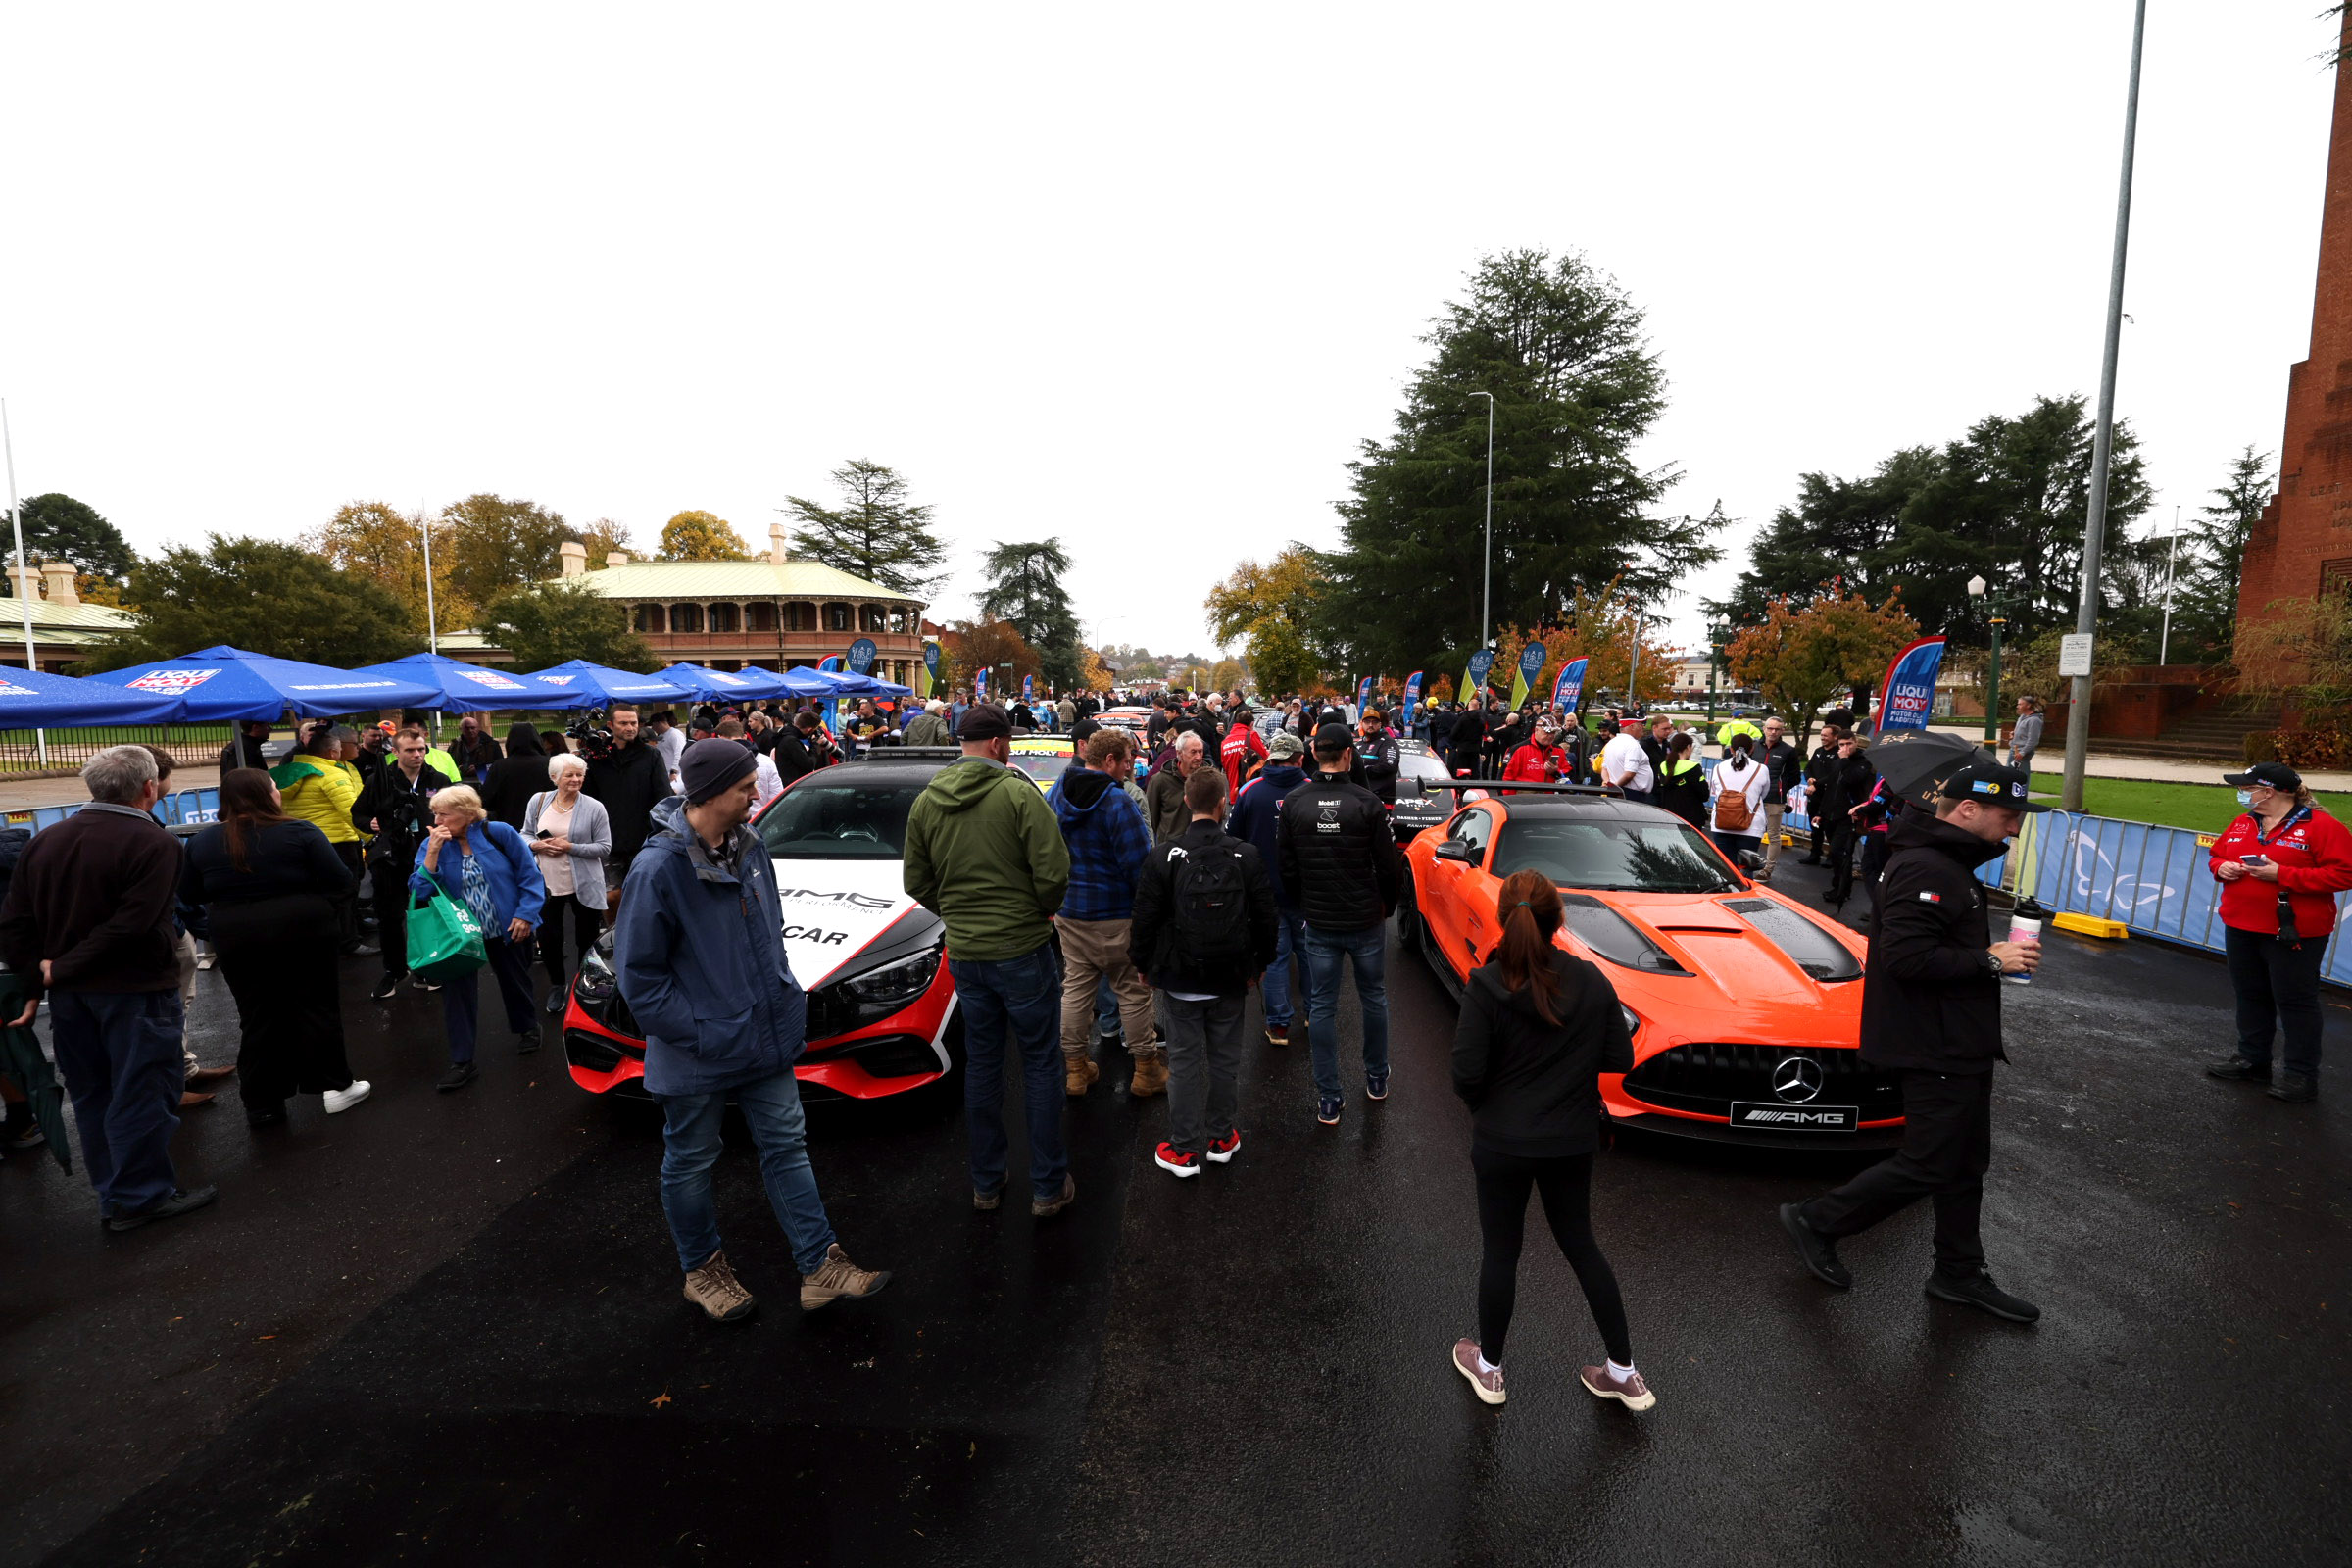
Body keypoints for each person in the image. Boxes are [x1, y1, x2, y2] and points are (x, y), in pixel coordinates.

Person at [612, 738, 890, 1321]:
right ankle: (702, 1271)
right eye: (744, 788)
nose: (755, 794)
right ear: (712, 793)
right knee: (691, 1159)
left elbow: (770, 931)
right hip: (699, 1050)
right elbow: (639, 977)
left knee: (787, 1146)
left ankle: (821, 1267)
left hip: (762, 1037)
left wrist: (781, 1001)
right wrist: (701, 1032)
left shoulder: (752, 844)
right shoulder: (658, 867)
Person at [1780, 761, 2047, 1323]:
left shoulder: (1948, 863)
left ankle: (1958, 1272)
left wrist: (1987, 957)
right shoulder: (1926, 866)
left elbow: (1930, 944)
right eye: (2009, 815)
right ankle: (1818, 1219)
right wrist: (1987, 959)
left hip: (1961, 1040)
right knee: (1930, 1162)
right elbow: (1902, 958)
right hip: (1934, 1042)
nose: (2016, 828)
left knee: (1965, 1162)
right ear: (1968, 810)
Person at [1449, 871, 1648, 1412]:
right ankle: (1624, 1372)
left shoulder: (1485, 986)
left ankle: (1489, 1368)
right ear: (1559, 921)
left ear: (1501, 920)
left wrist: (1489, 1109)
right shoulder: (1589, 981)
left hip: (1502, 1141)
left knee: (1502, 1250)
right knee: (1580, 1244)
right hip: (1570, 1140)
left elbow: (1466, 1074)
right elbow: (1619, 1057)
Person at [0, 746, 216, 1230]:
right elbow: (133, 924)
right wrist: (55, 973)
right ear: (148, 788)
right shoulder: (153, 842)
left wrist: (38, 978)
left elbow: (15, 922)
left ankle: (118, 1195)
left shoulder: (46, 839)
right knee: (141, 1092)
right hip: (132, 990)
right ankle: (138, 1197)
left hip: (75, 997)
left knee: (95, 1093)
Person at [903, 704, 1077, 1216]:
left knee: (982, 1063)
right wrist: (1039, 913)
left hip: (968, 954)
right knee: (1042, 1062)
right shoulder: (1018, 793)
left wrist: (956, 912)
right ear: (1000, 745)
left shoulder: (927, 802)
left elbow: (916, 880)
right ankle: (1047, 1186)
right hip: (1021, 949)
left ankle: (986, 1181)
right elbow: (1054, 871)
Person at [183, 769, 368, 1126]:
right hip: (305, 932)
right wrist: (319, 910)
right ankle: (335, 1086)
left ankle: (262, 1104)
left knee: (258, 1016)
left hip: (237, 937)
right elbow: (343, 882)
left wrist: (219, 919)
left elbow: (189, 894)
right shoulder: (300, 832)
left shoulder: (203, 841)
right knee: (316, 1007)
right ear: (269, 795)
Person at [1132, 764, 1277, 1178]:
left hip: (1179, 980)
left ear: (1188, 802)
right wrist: (1260, 965)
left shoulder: (1165, 856)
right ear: (1222, 803)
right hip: (1231, 977)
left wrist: (1144, 965)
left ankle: (1182, 1149)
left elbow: (1144, 918)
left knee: (1183, 1063)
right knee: (1225, 1062)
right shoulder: (1245, 855)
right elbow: (1266, 918)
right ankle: (1221, 1137)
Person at [1279, 723, 1405, 1126]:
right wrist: (1388, 907)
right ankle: (1376, 1077)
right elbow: (1390, 868)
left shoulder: (1294, 802)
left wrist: (1305, 904)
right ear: (1349, 754)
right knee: (1373, 997)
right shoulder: (1368, 803)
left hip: (1320, 919)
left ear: (1316, 754)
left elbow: (1286, 867)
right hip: (1364, 917)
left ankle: (1330, 1097)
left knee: (1323, 1006)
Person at [2205, 760, 2352, 1102]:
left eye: (2246, 787)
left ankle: (2301, 1076)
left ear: (2268, 791)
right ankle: (2253, 1061)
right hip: (2241, 924)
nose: (2241, 793)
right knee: (2250, 995)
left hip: (2293, 930)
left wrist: (2283, 875)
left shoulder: (2322, 827)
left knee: (2295, 1002)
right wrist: (2221, 867)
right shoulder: (2244, 822)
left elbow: (2345, 874)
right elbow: (2216, 854)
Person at [1049, 728, 1161, 1097]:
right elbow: (1138, 865)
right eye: (1127, 760)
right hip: (1116, 915)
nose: (1131, 768)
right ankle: (1146, 1070)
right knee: (1132, 991)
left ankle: (1075, 1070)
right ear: (1109, 760)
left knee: (1076, 991)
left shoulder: (1056, 793)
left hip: (1072, 912)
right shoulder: (1118, 802)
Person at [410, 784, 544, 1093]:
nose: (437, 819)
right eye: (435, 813)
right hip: (461, 936)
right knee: (457, 996)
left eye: (444, 813)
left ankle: (527, 1026)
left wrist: (525, 914)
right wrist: (432, 853)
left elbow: (529, 875)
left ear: (468, 813)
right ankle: (462, 1061)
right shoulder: (434, 843)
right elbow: (419, 891)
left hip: (508, 927)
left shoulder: (499, 833)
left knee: (515, 981)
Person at [1229, 730, 1311, 1046]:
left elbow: (1234, 839)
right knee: (1308, 953)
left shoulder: (1250, 791)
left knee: (1275, 958)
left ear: (1271, 758)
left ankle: (1278, 1025)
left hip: (1264, 892)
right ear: (1300, 759)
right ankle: (1313, 1015)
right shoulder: (1311, 790)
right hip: (1303, 892)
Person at [353, 724, 444, 1000]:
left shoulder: (437, 779)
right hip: (390, 859)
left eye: (421, 749)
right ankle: (394, 970)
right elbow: (357, 814)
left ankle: (426, 966)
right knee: (390, 917)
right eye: (410, 750)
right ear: (395, 752)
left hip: (428, 856)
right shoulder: (380, 781)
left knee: (426, 914)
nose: (418, 754)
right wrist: (369, 823)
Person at [524, 753, 612, 1017]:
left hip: (584, 881)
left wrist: (570, 847)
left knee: (585, 938)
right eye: (569, 775)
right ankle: (557, 984)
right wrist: (534, 845)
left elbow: (605, 847)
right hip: (547, 882)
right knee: (549, 938)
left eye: (579, 775)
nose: (576, 780)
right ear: (554, 778)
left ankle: (584, 984)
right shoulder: (538, 801)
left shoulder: (594, 807)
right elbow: (525, 832)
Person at [270, 724, 369, 955]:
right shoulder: (333, 773)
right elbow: (352, 812)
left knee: (315, 895)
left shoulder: (286, 771)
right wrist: (372, 838)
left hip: (300, 842)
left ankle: (321, 940)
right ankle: (348, 942)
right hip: (339, 842)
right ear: (333, 753)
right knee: (344, 893)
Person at [584, 705, 672, 918]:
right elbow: (587, 798)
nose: (630, 728)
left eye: (633, 723)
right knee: (611, 897)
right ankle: (613, 940)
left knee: (643, 896)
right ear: (610, 725)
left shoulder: (651, 755)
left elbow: (663, 796)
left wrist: (659, 833)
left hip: (643, 839)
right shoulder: (597, 757)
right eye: (624, 723)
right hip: (607, 839)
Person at [1823, 733, 1878, 908]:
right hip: (1832, 813)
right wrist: (1821, 811)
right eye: (1842, 744)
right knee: (1834, 853)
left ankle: (1842, 890)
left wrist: (1845, 760)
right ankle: (1837, 886)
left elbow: (1852, 779)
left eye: (1849, 744)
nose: (1845, 748)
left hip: (1851, 816)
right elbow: (1831, 785)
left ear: (1856, 743)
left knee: (1842, 852)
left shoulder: (1864, 762)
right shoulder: (1838, 760)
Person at [1707, 731, 1768, 863]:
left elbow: (1715, 790)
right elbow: (1763, 793)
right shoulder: (1761, 769)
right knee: (1746, 868)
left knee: (1726, 868)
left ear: (1731, 749)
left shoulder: (1718, 768)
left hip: (1721, 823)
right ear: (1752, 749)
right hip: (1751, 826)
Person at [478, 722, 550, 831]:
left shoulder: (500, 766)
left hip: (510, 826)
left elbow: (486, 799)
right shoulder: (550, 763)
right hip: (545, 824)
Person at [1756, 716, 1800, 882]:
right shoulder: (1754, 747)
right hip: (1754, 798)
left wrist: (1782, 788)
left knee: (1773, 835)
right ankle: (1748, 863)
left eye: (1777, 729)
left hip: (1775, 799)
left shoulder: (1788, 751)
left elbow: (1795, 776)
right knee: (1750, 832)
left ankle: (1767, 869)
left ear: (1782, 731)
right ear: (1764, 729)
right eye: (1770, 728)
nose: (1773, 732)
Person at [1147, 730, 1207, 844]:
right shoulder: (1160, 781)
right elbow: (1151, 821)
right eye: (1193, 752)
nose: (1198, 757)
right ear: (1179, 753)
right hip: (1171, 850)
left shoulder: (1209, 779)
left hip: (1201, 847)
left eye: (1200, 751)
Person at [1800, 724, 1843, 865]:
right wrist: (1809, 779)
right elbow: (1808, 768)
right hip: (1815, 797)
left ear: (1835, 737)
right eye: (1821, 735)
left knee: (1830, 829)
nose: (1822, 737)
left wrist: (1816, 784)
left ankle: (1832, 857)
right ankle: (1815, 854)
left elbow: (1834, 775)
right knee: (1815, 827)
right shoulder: (1818, 751)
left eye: (1826, 735)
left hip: (1830, 797)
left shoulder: (1839, 753)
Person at [1652, 732, 1708, 828]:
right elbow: (1704, 795)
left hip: (1669, 817)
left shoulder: (1663, 766)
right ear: (1688, 747)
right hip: (1691, 819)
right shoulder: (1693, 767)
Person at [1598, 715, 1654, 803]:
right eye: (1640, 725)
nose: (1643, 727)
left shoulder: (1611, 743)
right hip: (1631, 794)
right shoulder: (1632, 745)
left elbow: (1604, 769)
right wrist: (1614, 788)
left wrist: (1607, 783)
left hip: (1618, 791)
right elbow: (1629, 774)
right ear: (1632, 726)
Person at [1500, 716, 1567, 789]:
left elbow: (1570, 776)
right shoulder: (1517, 750)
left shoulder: (1559, 750)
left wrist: (1556, 772)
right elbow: (1505, 778)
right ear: (1536, 730)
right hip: (1524, 796)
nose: (1551, 736)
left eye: (1553, 732)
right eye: (1547, 732)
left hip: (1551, 797)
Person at [1353, 709, 1400, 806]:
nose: (1370, 725)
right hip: (1360, 796)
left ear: (1380, 724)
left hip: (1381, 798)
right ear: (1361, 724)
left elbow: (1388, 766)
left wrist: (1362, 770)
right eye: (1367, 722)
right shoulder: (1359, 744)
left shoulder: (1388, 742)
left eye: (1374, 722)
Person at [1221, 708, 1269, 795]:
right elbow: (1265, 756)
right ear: (1251, 724)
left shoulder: (1225, 741)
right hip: (1249, 788)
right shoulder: (1251, 736)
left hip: (1233, 791)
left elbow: (1224, 765)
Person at [451, 715, 503, 782]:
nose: (470, 730)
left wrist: (480, 769)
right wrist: (458, 768)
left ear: (478, 728)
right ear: (460, 729)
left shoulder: (492, 744)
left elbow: (500, 765)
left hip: (485, 782)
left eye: (473, 728)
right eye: (467, 728)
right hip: (460, 782)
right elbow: (448, 763)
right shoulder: (454, 745)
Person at [2007, 696, 2045, 775]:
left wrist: (2022, 753)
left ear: (2028, 705)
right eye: (2018, 704)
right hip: (2014, 750)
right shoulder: (2022, 717)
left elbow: (2033, 740)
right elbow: (2023, 733)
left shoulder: (2034, 720)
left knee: (2022, 776)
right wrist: (2013, 736)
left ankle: (2024, 788)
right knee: (2008, 774)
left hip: (2022, 753)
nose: (2017, 706)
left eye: (2020, 704)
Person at [650, 710, 687, 782]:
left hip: (676, 775)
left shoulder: (675, 734)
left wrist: (674, 771)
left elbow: (680, 753)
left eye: (652, 725)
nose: (652, 728)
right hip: (664, 774)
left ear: (658, 723)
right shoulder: (660, 736)